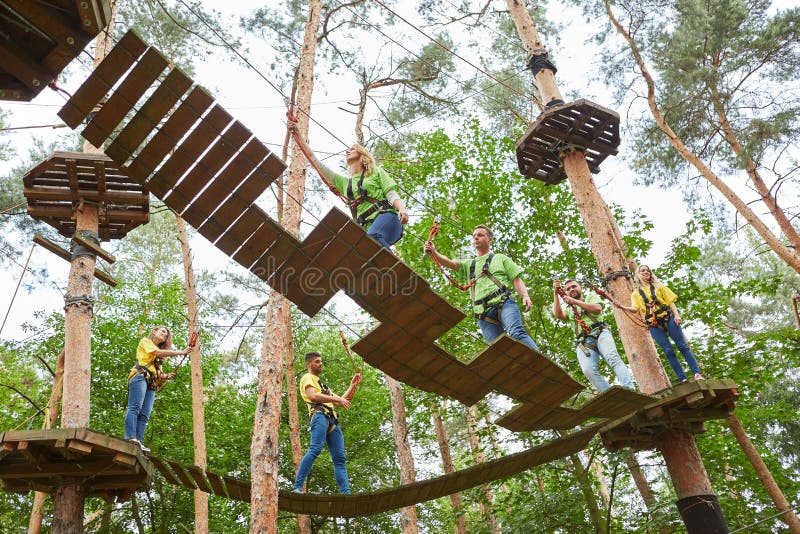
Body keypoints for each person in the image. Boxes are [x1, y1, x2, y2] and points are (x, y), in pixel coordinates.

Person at [287, 120, 409, 249]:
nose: (347, 151)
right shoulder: (345, 183)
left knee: (373, 237)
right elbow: (315, 161)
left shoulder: (375, 172)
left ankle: (392, 269)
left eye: (352, 149)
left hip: (387, 218)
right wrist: (298, 134)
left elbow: (391, 193)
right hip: (368, 228)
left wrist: (401, 209)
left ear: (362, 154)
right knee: (364, 252)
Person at [423, 224, 539, 351]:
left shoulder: (500, 258)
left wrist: (525, 295)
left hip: (504, 303)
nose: (476, 238)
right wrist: (434, 252)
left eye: (480, 235)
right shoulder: (470, 264)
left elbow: (516, 279)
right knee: (498, 350)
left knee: (516, 332)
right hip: (483, 314)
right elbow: (450, 263)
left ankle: (539, 361)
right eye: (474, 236)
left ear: (490, 239)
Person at [620, 264, 703, 383]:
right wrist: (622, 307)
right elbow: (635, 309)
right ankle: (682, 378)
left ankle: (697, 373)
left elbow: (670, 302)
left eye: (647, 270)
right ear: (637, 274)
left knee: (682, 346)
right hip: (654, 324)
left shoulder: (659, 287)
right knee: (668, 351)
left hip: (668, 318)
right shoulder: (636, 294)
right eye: (642, 271)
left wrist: (677, 315)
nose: (645, 272)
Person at [292, 352, 361, 494]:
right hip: (319, 416)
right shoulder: (307, 377)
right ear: (308, 364)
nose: (320, 363)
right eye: (317, 361)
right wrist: (338, 400)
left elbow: (341, 400)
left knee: (340, 459)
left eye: (321, 361)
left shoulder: (323, 386)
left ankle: (346, 493)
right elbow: (312, 396)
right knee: (315, 449)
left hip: (332, 421)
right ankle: (297, 487)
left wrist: (352, 385)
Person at [553, 279, 635, 392]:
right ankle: (610, 394)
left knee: (612, 358)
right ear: (565, 293)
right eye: (568, 289)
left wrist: (574, 301)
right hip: (583, 342)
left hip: (600, 333)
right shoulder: (569, 310)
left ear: (580, 287)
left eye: (574, 286)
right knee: (588, 370)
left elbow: (597, 309)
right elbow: (559, 315)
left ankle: (629, 389)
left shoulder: (590, 297)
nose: (571, 289)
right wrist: (555, 293)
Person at [124, 326, 192, 452]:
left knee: (145, 414)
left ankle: (137, 441)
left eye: (167, 335)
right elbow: (158, 352)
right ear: (154, 331)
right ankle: (130, 437)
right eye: (163, 331)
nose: (165, 335)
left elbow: (159, 372)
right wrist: (182, 352)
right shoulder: (146, 342)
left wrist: (165, 376)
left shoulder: (158, 358)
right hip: (140, 376)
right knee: (135, 407)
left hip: (152, 382)